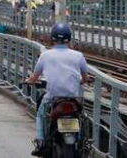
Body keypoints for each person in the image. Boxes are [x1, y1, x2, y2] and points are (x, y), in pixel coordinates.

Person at [25, 23, 90, 156]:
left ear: (52, 38)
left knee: (40, 114)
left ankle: (40, 142)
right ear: (69, 38)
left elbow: (34, 77)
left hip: (52, 97)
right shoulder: (78, 56)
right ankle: (82, 142)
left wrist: (29, 81)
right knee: (82, 117)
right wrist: (82, 81)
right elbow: (85, 77)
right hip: (73, 98)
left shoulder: (45, 55)